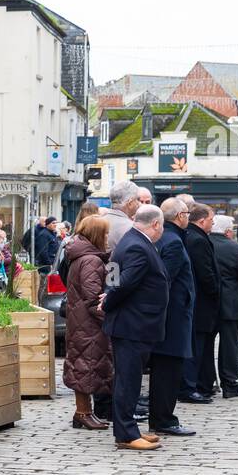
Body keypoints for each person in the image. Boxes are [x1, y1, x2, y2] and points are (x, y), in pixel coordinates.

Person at [101, 205, 168, 451]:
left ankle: (129, 428)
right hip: (133, 324)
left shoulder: (129, 241)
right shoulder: (138, 246)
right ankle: (126, 433)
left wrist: (107, 294)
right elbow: (123, 284)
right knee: (128, 381)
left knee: (128, 379)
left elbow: (112, 274)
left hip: (133, 323)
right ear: (156, 224)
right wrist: (108, 299)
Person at [148, 198, 196, 437]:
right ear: (179, 216)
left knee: (163, 368)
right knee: (168, 368)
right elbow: (164, 280)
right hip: (172, 316)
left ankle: (161, 416)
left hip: (167, 314)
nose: (189, 216)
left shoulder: (163, 238)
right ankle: (164, 418)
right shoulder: (173, 241)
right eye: (187, 213)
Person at [61, 215, 111, 430]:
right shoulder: (91, 259)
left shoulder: (82, 256)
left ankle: (84, 412)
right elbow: (93, 298)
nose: (108, 237)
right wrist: (109, 316)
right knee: (85, 367)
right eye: (105, 233)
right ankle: (83, 412)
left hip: (80, 320)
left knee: (82, 365)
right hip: (89, 324)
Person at [209, 216, 238, 398]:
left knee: (205, 345)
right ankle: (230, 384)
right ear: (228, 232)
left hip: (209, 304)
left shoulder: (203, 244)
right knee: (230, 346)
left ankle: (207, 382)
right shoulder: (235, 248)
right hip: (231, 303)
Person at [180, 204, 220, 403]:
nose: (213, 223)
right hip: (201, 303)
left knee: (201, 346)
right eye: (211, 219)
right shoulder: (197, 240)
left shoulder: (194, 236)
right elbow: (205, 273)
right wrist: (215, 291)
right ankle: (192, 385)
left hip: (200, 302)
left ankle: (202, 383)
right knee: (197, 346)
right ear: (202, 220)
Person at [104, 181, 142, 250]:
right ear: (130, 203)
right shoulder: (131, 228)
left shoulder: (97, 222)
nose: (139, 203)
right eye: (137, 199)